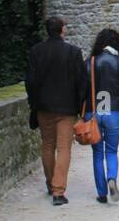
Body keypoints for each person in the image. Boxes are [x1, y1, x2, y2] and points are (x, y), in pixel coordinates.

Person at [25, 16, 88, 206]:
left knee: (47, 145)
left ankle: (51, 183)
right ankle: (58, 191)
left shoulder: (36, 51)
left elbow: (31, 81)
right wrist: (80, 107)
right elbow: (81, 83)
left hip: (44, 107)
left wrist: (34, 103)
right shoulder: (73, 52)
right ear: (62, 30)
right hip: (67, 108)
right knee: (63, 148)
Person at [86, 28, 119, 205]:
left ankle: (102, 192)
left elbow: (82, 90)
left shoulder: (90, 62)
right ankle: (112, 177)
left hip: (94, 113)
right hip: (114, 112)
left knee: (97, 153)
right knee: (111, 151)